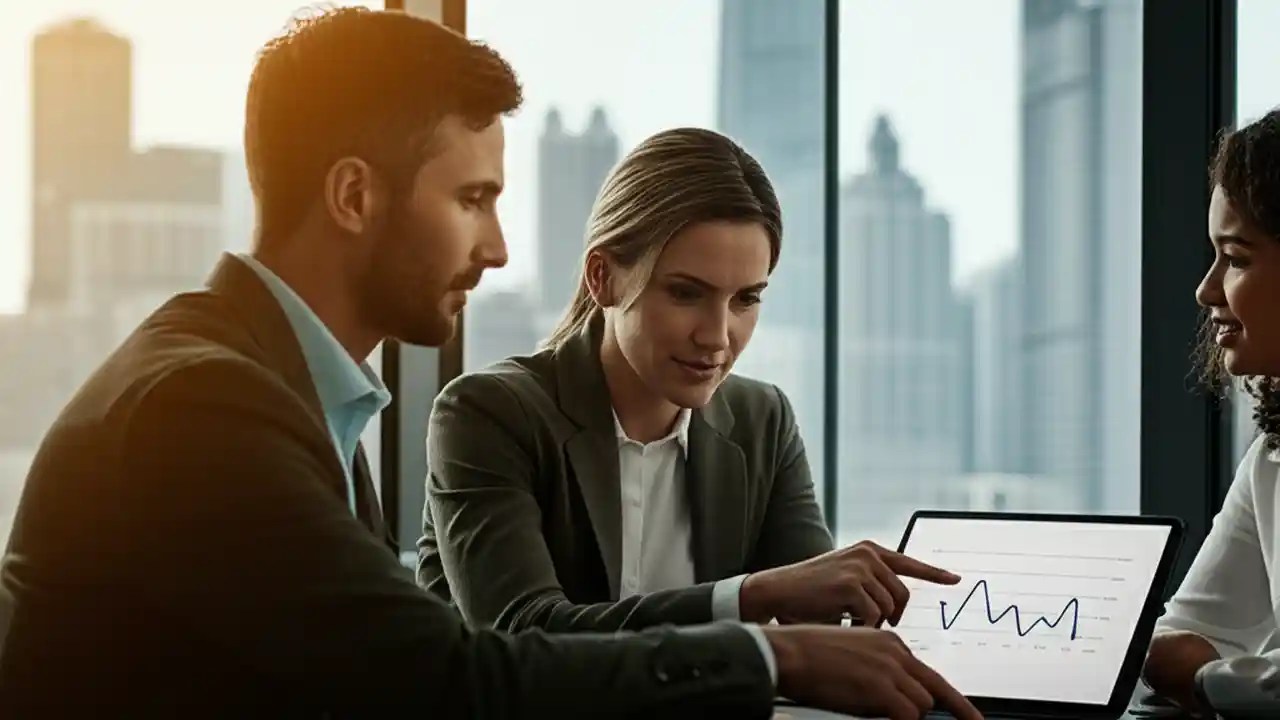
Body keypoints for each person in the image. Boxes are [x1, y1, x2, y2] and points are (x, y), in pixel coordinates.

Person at [0, 8, 981, 719]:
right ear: (353, 196)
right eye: (471, 199)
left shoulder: (282, 388)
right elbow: (451, 677)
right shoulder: (206, 406)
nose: (502, 247)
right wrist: (760, 652)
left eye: (746, 300)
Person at [418, 126, 964, 638]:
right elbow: (523, 633)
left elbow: (812, 628)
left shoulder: (762, 420)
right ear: (603, 277)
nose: (717, 336)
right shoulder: (487, 413)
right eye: (685, 293)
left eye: (746, 299)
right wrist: (745, 599)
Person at [1142, 108, 1280, 712]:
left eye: (1238, 257)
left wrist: (1208, 680)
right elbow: (1175, 643)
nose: (1206, 289)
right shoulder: (1270, 462)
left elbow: (1192, 663)